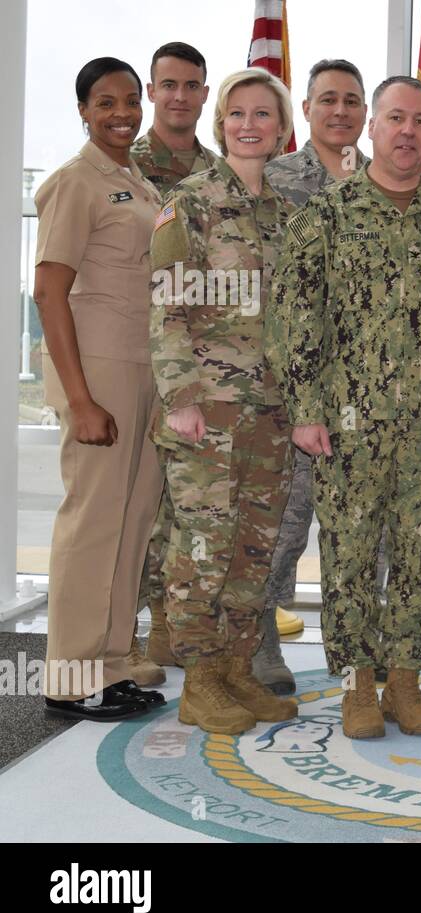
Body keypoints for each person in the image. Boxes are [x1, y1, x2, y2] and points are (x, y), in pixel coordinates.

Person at [266, 76, 421, 740]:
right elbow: (294, 320)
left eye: (419, 122)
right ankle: (356, 685)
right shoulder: (328, 215)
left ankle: (404, 680)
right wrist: (307, 408)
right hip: (347, 422)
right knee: (349, 554)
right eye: (395, 118)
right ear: (373, 126)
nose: (406, 132)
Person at [150, 68, 298, 735]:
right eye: (237, 113)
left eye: (262, 114)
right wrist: (180, 397)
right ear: (222, 123)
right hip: (206, 410)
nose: (248, 124)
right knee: (202, 549)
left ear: (280, 127)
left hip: (271, 410)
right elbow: (167, 304)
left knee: (251, 549)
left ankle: (238, 667)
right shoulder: (192, 199)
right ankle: (199, 681)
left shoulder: (287, 214)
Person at [36, 58, 165, 721]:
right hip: (101, 374)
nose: (122, 112)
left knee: (131, 523)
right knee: (92, 524)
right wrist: (80, 398)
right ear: (83, 110)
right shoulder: (74, 183)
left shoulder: (136, 183)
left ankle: (111, 666)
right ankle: (68, 678)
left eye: (131, 100)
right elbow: (49, 291)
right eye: (105, 102)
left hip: (145, 371)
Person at [258, 58, 371, 695]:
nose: (340, 111)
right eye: (327, 99)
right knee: (285, 521)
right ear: (305, 111)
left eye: (352, 101)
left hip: (369, 390)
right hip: (293, 388)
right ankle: (262, 639)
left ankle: (357, 654)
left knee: (359, 529)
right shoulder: (275, 181)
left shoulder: (385, 184)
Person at [132, 41, 218, 676]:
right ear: (152, 92)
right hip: (132, 357)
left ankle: (167, 625)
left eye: (192, 85)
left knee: (181, 506)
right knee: (132, 503)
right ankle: (122, 636)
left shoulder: (217, 175)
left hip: (200, 366)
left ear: (204, 94)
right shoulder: (124, 167)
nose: (180, 96)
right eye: (169, 85)